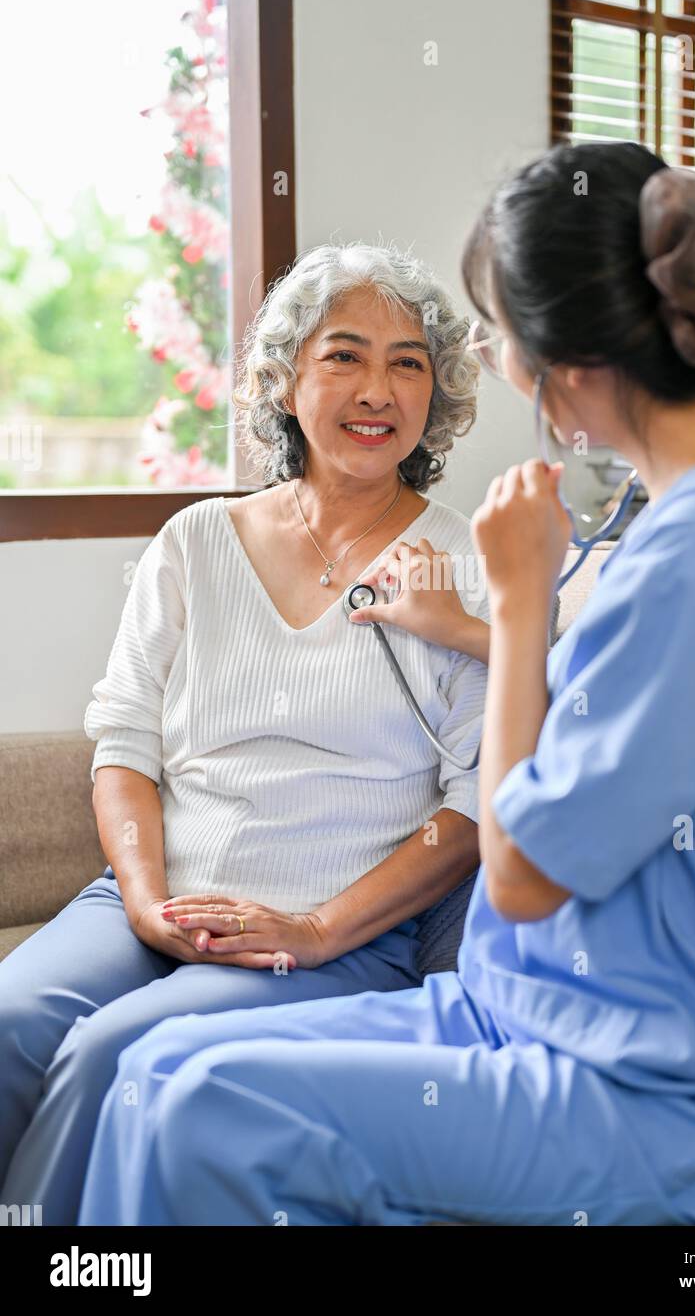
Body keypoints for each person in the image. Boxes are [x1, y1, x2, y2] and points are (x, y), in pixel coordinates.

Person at [77, 142, 695, 1227]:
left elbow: (528, 872)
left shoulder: (692, 562)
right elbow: (634, 729)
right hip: (535, 1015)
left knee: (198, 1103)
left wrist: (523, 593)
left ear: (574, 357)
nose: (488, 362)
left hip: (665, 1088)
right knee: (156, 1070)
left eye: (493, 335)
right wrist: (479, 621)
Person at [0, 243, 488, 1225]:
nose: (377, 389)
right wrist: (143, 900)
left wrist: (313, 930)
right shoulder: (195, 540)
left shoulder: (462, 562)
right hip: (156, 896)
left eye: (409, 362)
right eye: (344, 354)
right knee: (9, 1021)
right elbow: (126, 742)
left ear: (436, 395)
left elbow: (476, 803)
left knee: (117, 1058)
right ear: (284, 377)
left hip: (333, 928)